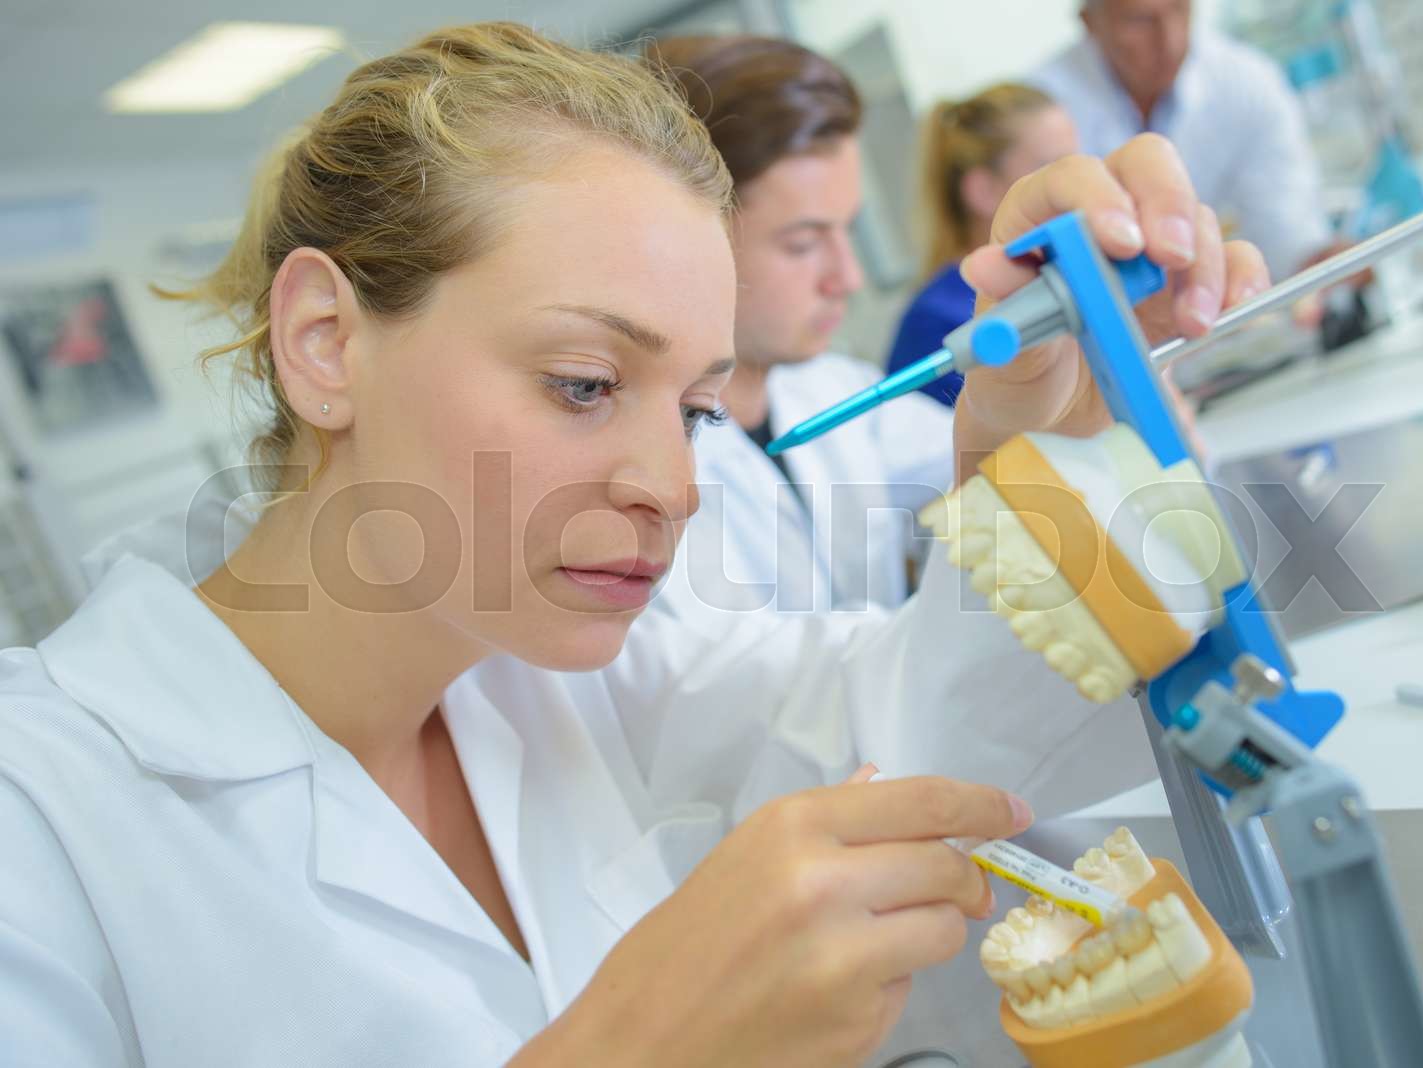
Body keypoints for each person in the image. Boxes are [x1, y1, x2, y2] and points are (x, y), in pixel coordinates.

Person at [0, 21, 1268, 1067]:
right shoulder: (42, 822)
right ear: (326, 342)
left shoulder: (552, 661)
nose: (675, 485)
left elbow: (919, 730)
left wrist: (1044, 440)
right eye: (585, 382)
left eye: (700, 410)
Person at [645, 37, 958, 621]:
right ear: (687, 244)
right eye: (804, 243)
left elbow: (982, 473)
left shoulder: (836, 389)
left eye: (847, 232)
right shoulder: (636, 471)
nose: (848, 277)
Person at [1032, 0, 1345, 283]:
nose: (1170, 39)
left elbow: (1285, 232)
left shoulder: (1248, 83)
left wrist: (1319, 264)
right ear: (1091, 23)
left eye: (1181, 9)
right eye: (1140, 20)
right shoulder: (1038, 113)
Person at [886, 84, 1079, 407]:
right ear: (984, 191)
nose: (1079, 189)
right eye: (1054, 170)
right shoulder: (936, 324)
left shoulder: (1052, 281)